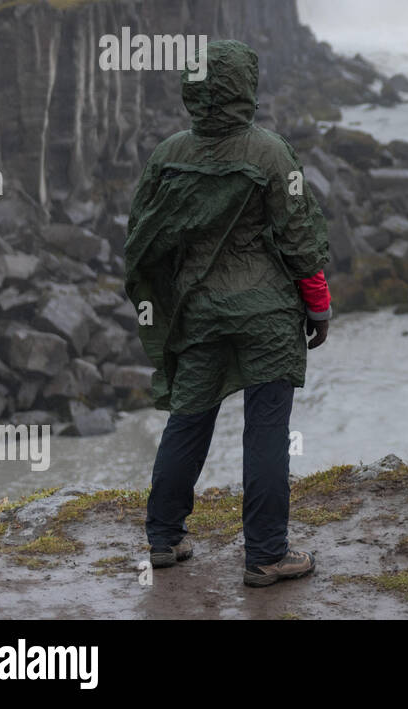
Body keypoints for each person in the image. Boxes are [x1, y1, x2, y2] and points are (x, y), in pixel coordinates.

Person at [125, 39, 332, 588]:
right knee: (266, 430)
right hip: (267, 314)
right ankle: (266, 556)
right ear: (245, 87)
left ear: (194, 91)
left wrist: (172, 297)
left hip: (199, 312)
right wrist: (319, 307)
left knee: (188, 418)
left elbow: (146, 238)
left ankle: (164, 538)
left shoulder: (168, 155)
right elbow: (299, 239)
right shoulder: (270, 153)